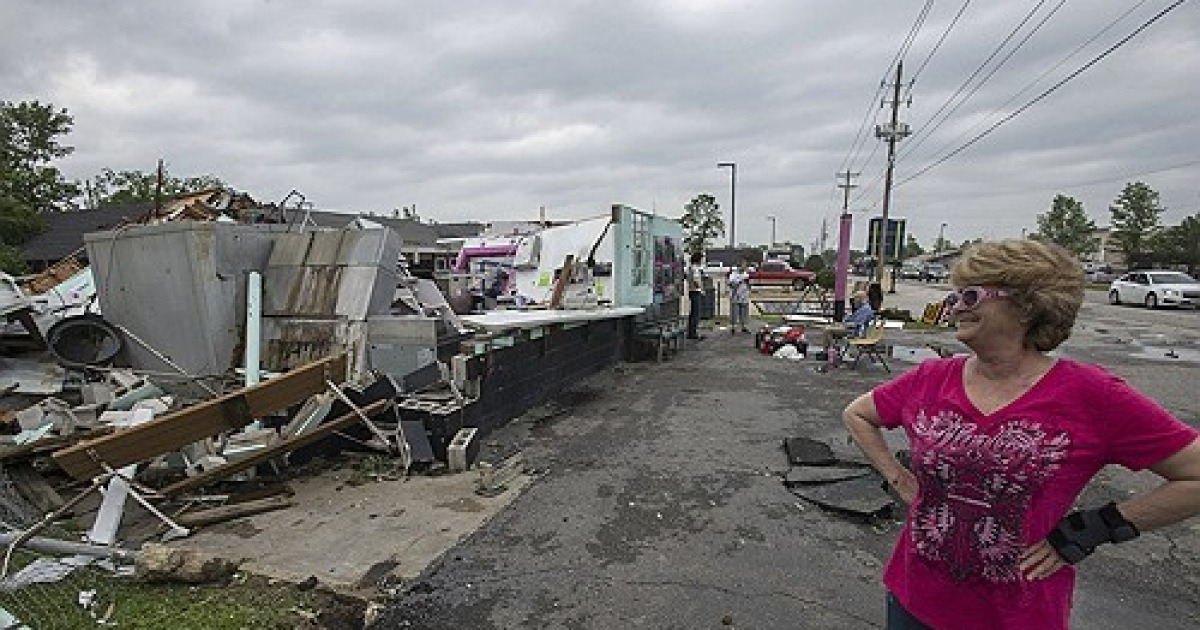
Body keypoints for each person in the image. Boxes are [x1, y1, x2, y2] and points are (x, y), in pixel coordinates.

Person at [842, 238, 1200, 630]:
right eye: (955, 296)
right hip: (914, 601)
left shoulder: (1092, 394)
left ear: (1027, 306)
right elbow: (858, 414)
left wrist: (1089, 530)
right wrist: (898, 478)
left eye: (971, 296)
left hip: (1016, 615)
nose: (956, 307)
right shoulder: (930, 377)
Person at [819, 290, 875, 367]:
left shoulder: (865, 309)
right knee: (827, 328)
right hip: (852, 329)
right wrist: (842, 323)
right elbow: (851, 320)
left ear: (860, 299)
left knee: (828, 330)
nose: (853, 301)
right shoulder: (863, 308)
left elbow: (856, 324)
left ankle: (832, 350)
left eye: (855, 299)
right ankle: (828, 351)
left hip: (854, 332)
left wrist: (843, 324)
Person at [727, 259, 751, 334]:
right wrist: (740, 281)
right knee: (734, 311)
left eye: (745, 265)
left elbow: (748, 284)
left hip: (744, 295)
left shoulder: (746, 274)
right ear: (739, 266)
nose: (745, 267)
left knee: (744, 311)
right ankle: (733, 327)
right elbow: (730, 284)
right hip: (735, 295)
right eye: (743, 265)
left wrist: (748, 286)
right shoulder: (733, 274)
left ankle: (743, 326)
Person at [686, 252, 706, 340]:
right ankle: (693, 333)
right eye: (701, 259)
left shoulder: (690, 268)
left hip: (691, 291)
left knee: (693, 312)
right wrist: (701, 289)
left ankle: (691, 332)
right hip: (696, 291)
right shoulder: (695, 268)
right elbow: (696, 280)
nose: (702, 261)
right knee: (696, 313)